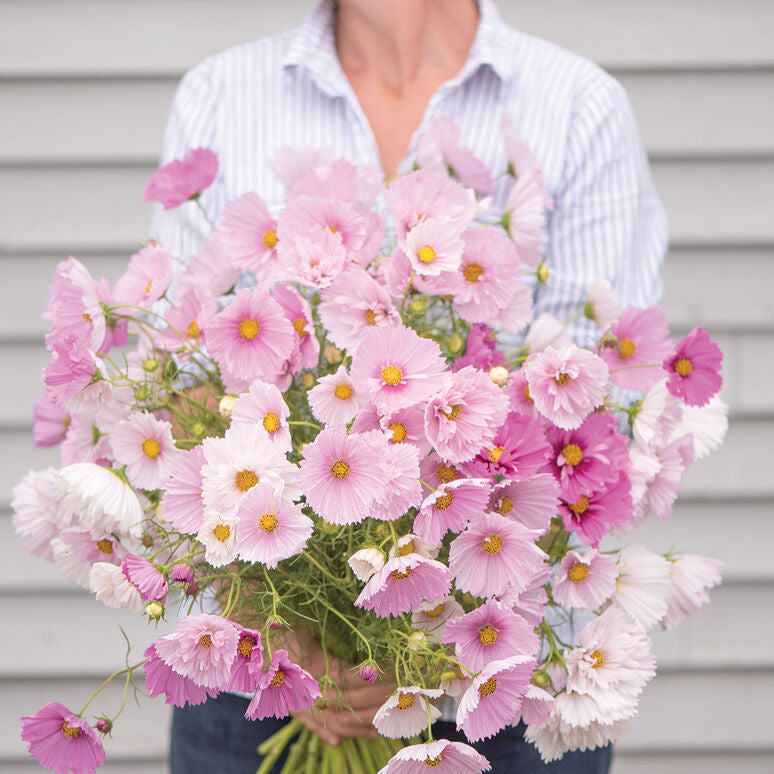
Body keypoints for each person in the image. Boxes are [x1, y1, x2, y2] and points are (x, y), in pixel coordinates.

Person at [150, 1, 667, 771]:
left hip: (500, 677)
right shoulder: (221, 93)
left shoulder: (576, 104)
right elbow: (188, 382)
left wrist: (417, 643)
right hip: (267, 668)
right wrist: (295, 630)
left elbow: (592, 414)